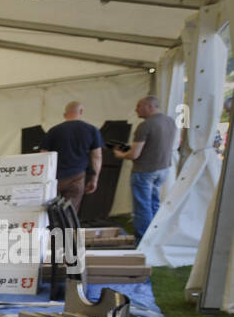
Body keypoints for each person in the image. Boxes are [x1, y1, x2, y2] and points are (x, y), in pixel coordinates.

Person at [113, 96, 180, 242]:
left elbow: (134, 154)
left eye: (138, 106)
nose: (136, 109)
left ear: (149, 107)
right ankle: (155, 235)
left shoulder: (145, 125)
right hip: (163, 168)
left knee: (142, 206)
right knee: (154, 202)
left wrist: (120, 154)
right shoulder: (170, 122)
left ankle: (143, 238)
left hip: (144, 171)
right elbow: (155, 146)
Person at [39, 102, 103, 213]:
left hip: (55, 178)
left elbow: (43, 155)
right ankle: (68, 230)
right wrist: (94, 179)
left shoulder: (54, 131)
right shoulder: (92, 130)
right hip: (77, 177)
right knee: (70, 214)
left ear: (65, 114)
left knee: (51, 213)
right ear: (81, 112)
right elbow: (97, 157)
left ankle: (53, 230)